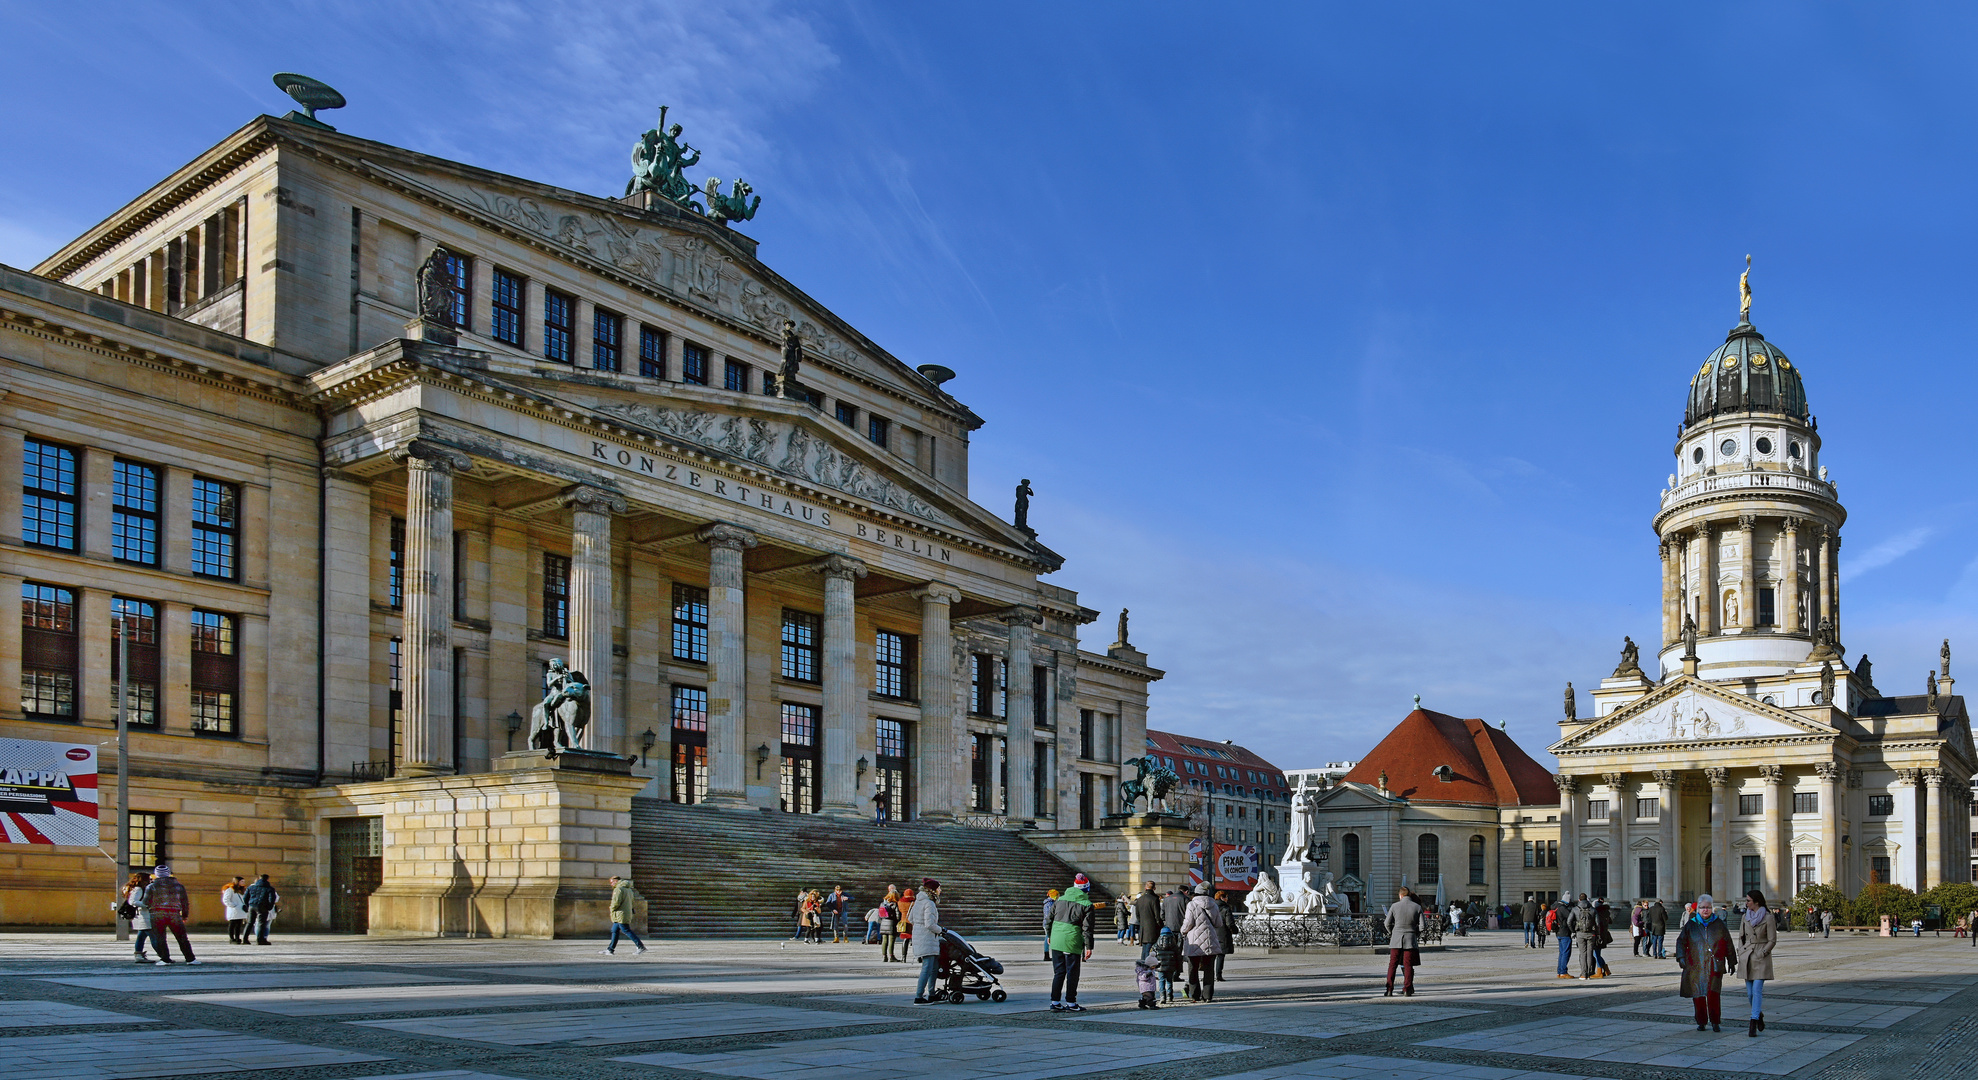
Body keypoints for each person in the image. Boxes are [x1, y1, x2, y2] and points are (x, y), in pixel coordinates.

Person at [1677, 893, 1734, 1032]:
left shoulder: (1718, 924)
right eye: (1702, 907)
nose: (1705, 910)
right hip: (1696, 965)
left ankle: (1715, 1021)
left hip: (1714, 965)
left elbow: (1728, 943)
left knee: (1713, 994)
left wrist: (1732, 961)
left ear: (1712, 908)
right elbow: (1681, 941)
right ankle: (1701, 1021)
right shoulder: (1691, 924)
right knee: (1698, 995)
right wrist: (1681, 957)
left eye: (1708, 907)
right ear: (1698, 909)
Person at [1044, 873, 1095, 1012]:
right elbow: (1087, 928)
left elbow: (1049, 920)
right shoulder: (1087, 904)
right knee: (1072, 972)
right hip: (1072, 940)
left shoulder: (1059, 900)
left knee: (1059, 972)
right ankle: (1071, 1002)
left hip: (1056, 939)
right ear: (1086, 889)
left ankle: (1054, 1002)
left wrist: (1049, 935)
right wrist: (1089, 946)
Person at [1737, 889, 1775, 1037]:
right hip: (1747, 956)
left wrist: (1763, 952)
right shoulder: (1745, 917)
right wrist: (1740, 951)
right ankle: (1759, 1015)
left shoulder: (1768, 918)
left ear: (1756, 902)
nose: (1746, 903)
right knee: (1749, 993)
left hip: (1760, 956)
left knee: (1756, 990)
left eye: (1748, 901)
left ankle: (1752, 1021)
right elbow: (1741, 937)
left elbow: (1772, 940)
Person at [143, 864, 198, 964]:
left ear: (156, 874)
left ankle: (165, 959)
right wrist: (185, 915)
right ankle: (190, 959)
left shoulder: (151, 887)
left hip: (157, 914)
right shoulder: (179, 886)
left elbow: (145, 902)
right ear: (169, 874)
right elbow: (185, 902)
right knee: (182, 938)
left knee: (160, 938)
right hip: (174, 914)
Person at [1180, 883, 1225, 1001]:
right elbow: (1218, 923)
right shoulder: (1213, 904)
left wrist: (1183, 931)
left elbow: (1188, 923)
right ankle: (1207, 995)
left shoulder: (1192, 904)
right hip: (1210, 941)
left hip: (1194, 941)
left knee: (1193, 969)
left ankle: (1195, 995)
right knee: (1209, 970)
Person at [909, 878, 945, 1004]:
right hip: (927, 938)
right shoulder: (929, 903)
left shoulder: (918, 901)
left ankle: (932, 994)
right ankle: (919, 997)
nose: (940, 890)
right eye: (939, 888)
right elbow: (929, 924)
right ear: (933, 890)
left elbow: (910, 918)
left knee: (934, 967)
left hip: (920, 936)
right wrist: (941, 930)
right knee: (927, 968)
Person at [1383, 886, 1424, 997]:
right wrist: (1415, 934)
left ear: (1400, 895)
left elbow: (1386, 923)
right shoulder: (1417, 907)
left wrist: (1393, 932)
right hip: (1410, 939)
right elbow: (1422, 926)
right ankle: (1407, 988)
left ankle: (1389, 989)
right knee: (1408, 965)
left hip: (1396, 938)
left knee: (1392, 964)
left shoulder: (1394, 906)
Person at [600, 874, 647, 955]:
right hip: (625, 913)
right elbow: (632, 901)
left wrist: (611, 908)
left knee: (626, 930)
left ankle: (640, 946)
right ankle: (610, 949)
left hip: (620, 913)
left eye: (611, 882)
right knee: (614, 930)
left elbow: (616, 902)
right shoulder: (628, 889)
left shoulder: (618, 889)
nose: (611, 884)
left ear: (616, 881)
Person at [120, 872, 159, 964]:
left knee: (141, 936)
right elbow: (132, 901)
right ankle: (163, 955)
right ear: (143, 880)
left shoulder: (140, 888)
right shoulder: (138, 889)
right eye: (149, 879)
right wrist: (146, 905)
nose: (150, 880)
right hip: (143, 916)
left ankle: (138, 955)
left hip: (142, 916)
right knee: (154, 937)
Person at [1570, 894, 1598, 980]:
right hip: (1591, 933)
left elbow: (1569, 921)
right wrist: (1597, 933)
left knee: (1583, 953)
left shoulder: (1575, 909)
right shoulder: (1593, 909)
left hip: (1580, 933)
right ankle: (1589, 973)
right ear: (1587, 899)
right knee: (1590, 953)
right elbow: (1598, 923)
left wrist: (1573, 931)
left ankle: (1583, 974)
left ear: (1579, 900)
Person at [1133, 882, 1162, 962]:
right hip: (1152, 928)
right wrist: (1160, 925)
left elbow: (1137, 914)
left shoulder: (1140, 899)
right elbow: (1157, 915)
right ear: (1154, 888)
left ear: (1145, 888)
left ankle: (1143, 964)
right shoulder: (1155, 899)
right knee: (1150, 949)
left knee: (1144, 948)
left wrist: (1141, 922)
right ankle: (1148, 965)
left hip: (1143, 927)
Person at [1213, 889, 1237, 982]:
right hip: (1223, 933)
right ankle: (1218, 975)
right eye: (1226, 897)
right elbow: (1229, 923)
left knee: (1211, 956)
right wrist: (1234, 930)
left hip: (1212, 933)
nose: (1227, 899)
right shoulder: (1226, 908)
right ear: (1222, 898)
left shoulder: (1211, 907)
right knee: (1220, 955)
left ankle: (1209, 975)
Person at [877, 887, 902, 962]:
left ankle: (884, 956)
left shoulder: (882, 903)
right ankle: (891, 956)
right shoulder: (895, 904)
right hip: (892, 923)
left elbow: (879, 915)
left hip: (883, 923)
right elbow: (898, 915)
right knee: (891, 941)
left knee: (884, 941)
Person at [222, 877, 249, 945]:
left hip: (240, 910)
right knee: (232, 924)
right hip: (234, 910)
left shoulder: (243, 890)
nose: (243, 883)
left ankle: (237, 938)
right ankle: (232, 938)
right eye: (242, 881)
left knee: (238, 925)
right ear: (237, 882)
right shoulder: (230, 890)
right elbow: (226, 899)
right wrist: (233, 905)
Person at [1590, 899, 1613, 977]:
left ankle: (1600, 972)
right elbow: (1610, 921)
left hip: (1598, 935)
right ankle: (1606, 970)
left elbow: (1597, 925)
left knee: (1596, 954)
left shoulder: (1597, 913)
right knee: (1597, 954)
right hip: (1603, 935)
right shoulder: (1606, 912)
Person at [1042, 889, 1060, 961]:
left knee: (1049, 938)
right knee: (1048, 938)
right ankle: (1047, 955)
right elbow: (1048, 916)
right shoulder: (1049, 904)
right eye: (1058, 895)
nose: (1059, 896)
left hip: (1050, 923)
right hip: (1049, 923)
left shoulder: (1052, 903)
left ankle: (1048, 954)